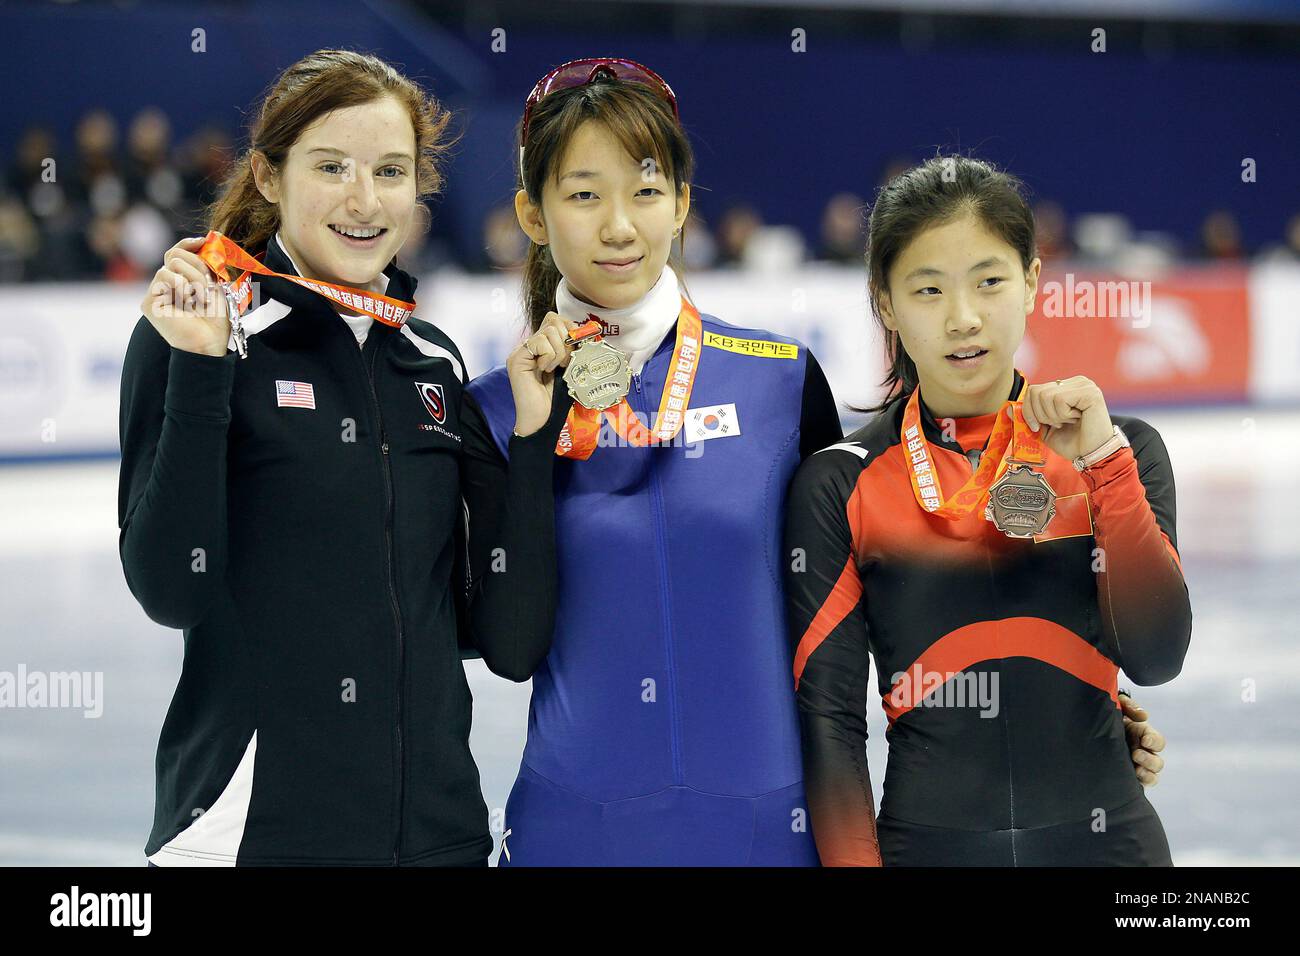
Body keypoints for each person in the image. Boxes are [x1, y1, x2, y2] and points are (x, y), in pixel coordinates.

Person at [462, 62, 1169, 866]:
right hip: (575, 833)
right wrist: (530, 435)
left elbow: (880, 600)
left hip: (769, 833)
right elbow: (509, 650)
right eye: (584, 194)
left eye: (648, 190)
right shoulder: (493, 407)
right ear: (532, 212)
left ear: (684, 202)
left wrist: (1069, 706)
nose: (619, 225)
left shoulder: (778, 377)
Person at [118, 49, 544, 866]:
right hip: (253, 837)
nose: (364, 199)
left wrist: (525, 449)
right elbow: (172, 588)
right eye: (331, 167)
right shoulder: (201, 334)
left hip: (438, 839)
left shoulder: (432, 360)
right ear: (270, 178)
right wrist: (203, 370)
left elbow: (496, 636)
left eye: (390, 170)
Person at [784, 155, 1191, 866]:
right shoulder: (839, 484)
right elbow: (831, 727)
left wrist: (1103, 465)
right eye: (928, 290)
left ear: (1033, 281)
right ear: (884, 303)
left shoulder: (1120, 452)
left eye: (990, 281)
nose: (963, 318)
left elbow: (1157, 657)